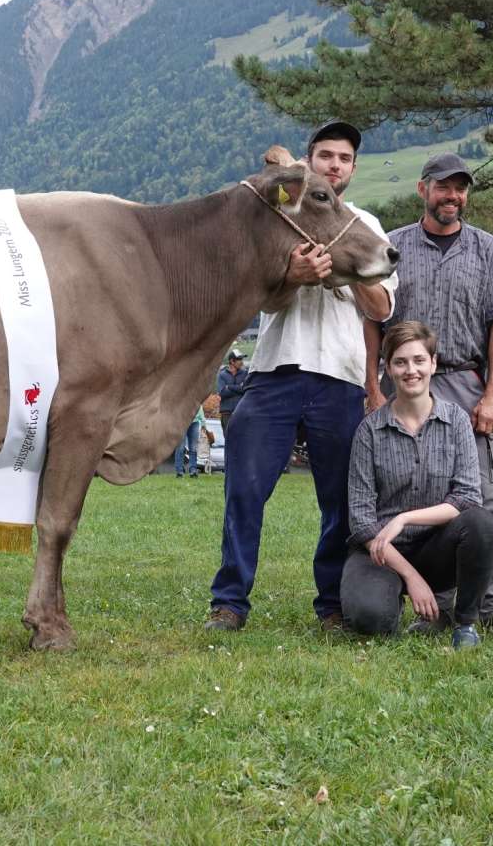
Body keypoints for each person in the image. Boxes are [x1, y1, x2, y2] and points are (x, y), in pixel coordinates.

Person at [206, 120, 398, 632]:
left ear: (353, 169)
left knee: (338, 499)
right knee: (245, 490)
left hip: (340, 377)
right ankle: (229, 602)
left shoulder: (366, 224)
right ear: (308, 162)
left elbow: (382, 307)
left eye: (344, 158)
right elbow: (263, 299)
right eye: (326, 155)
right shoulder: (280, 211)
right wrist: (293, 276)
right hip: (274, 371)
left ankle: (332, 604)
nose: (335, 165)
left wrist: (344, 270)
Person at [376, 151, 493, 630]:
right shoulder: (394, 245)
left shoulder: (485, 248)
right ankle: (433, 606)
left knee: (482, 494)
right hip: (402, 382)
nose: (452, 196)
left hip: (464, 380)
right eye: (443, 187)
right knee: (416, 491)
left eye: (460, 188)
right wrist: (372, 389)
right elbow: (374, 320)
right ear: (423, 189)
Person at [342, 322, 493, 649]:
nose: (410, 370)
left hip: (436, 547)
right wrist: (412, 578)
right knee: (370, 619)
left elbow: (467, 497)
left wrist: (405, 518)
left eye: (418, 360)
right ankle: (391, 599)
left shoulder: (456, 421)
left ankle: (464, 623)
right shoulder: (369, 431)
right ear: (388, 368)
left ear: (433, 363)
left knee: (482, 524)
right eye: (400, 362)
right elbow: (362, 522)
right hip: (381, 551)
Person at [216, 350, 249, 435]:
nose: (242, 362)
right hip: (226, 413)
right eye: (239, 359)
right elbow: (222, 393)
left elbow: (245, 389)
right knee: (228, 439)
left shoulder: (245, 374)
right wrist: (239, 388)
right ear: (232, 361)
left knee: (242, 439)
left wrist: (229, 387)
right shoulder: (222, 375)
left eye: (242, 359)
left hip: (241, 413)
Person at [174, 403, 208, 478]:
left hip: (194, 422)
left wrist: (203, 422)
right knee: (180, 447)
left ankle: (193, 470)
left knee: (193, 448)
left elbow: (199, 405)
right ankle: (179, 471)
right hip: (181, 422)